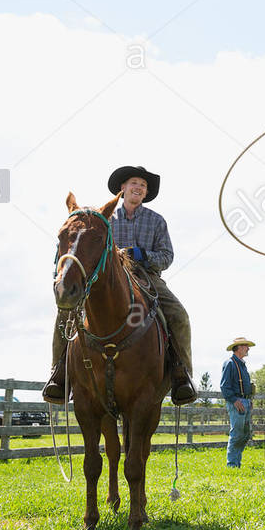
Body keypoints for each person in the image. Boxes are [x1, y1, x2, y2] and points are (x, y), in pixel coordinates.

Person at [45, 165, 195, 406]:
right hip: (105, 278)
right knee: (66, 310)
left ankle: (181, 374)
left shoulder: (156, 221)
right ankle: (60, 372)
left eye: (143, 186)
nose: (139, 187)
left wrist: (143, 254)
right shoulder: (102, 218)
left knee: (179, 315)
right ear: (122, 188)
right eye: (134, 183)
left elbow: (167, 256)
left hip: (147, 276)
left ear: (146, 193)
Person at [221, 337, 256, 468]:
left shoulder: (241, 364)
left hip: (245, 401)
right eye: (246, 346)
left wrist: (249, 399)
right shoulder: (230, 363)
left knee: (245, 434)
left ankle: (236, 463)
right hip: (237, 402)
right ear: (239, 347)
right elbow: (225, 386)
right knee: (236, 434)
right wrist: (235, 400)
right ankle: (232, 465)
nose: (248, 349)